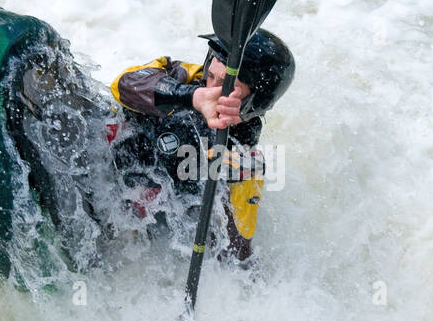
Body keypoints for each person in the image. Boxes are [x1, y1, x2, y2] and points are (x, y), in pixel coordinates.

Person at [108, 29, 294, 263]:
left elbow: (238, 255)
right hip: (106, 167)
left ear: (253, 101)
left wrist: (227, 187)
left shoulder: (243, 156)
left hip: (149, 221)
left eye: (226, 86)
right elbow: (120, 85)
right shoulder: (181, 74)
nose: (211, 88)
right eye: (212, 77)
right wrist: (190, 96)